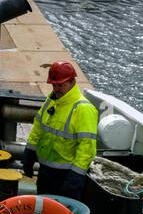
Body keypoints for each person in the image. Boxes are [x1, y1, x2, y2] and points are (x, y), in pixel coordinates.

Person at [22, 61, 98, 201]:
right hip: (45, 171)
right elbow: (38, 127)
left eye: (60, 85)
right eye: (54, 85)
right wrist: (29, 153)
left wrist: (76, 175)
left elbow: (87, 147)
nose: (56, 89)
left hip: (67, 176)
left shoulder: (83, 109)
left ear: (72, 82)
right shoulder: (52, 101)